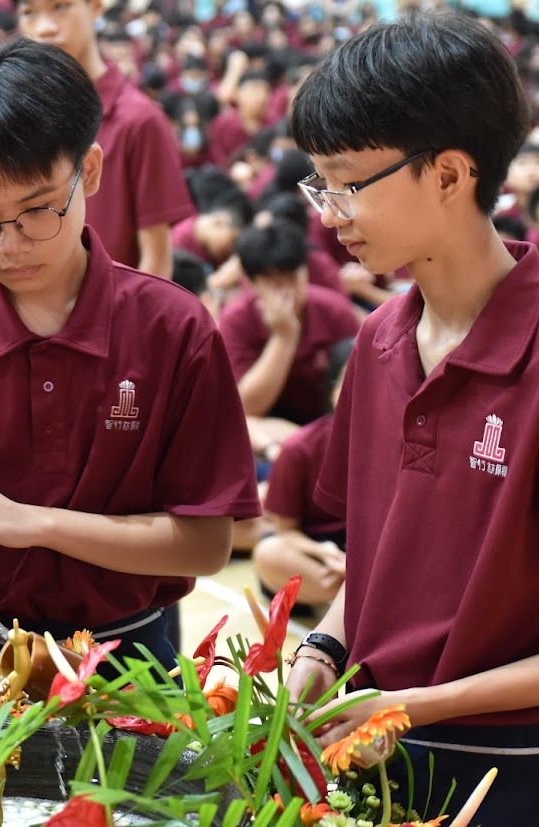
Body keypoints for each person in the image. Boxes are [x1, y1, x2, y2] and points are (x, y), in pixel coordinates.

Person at [0, 39, 258, 666]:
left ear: (88, 170)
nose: (10, 245)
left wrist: (32, 522)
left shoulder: (173, 328)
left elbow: (204, 546)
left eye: (38, 209)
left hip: (125, 658)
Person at [283, 12, 539, 822]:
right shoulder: (377, 340)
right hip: (369, 748)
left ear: (450, 174)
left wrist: (416, 707)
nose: (328, 213)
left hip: (509, 770)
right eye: (316, 183)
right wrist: (321, 650)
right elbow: (377, 559)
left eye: (347, 183)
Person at [16, 0, 194, 278]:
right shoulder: (18, 116)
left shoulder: (139, 120)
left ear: (95, 6)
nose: (45, 28)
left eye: (60, 7)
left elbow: (156, 261)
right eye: (29, 12)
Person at [219, 220, 359, 428]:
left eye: (293, 277)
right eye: (274, 281)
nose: (287, 290)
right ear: (251, 282)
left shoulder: (334, 311)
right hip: (270, 430)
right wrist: (284, 337)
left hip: (331, 425)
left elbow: (361, 390)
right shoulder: (236, 320)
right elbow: (245, 409)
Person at [252, 336, 352, 609]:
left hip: (373, 554)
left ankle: (360, 593)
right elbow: (285, 531)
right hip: (318, 552)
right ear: (332, 388)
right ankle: (355, 595)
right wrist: (326, 554)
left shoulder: (406, 444)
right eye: (351, 379)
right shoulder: (300, 448)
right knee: (270, 553)